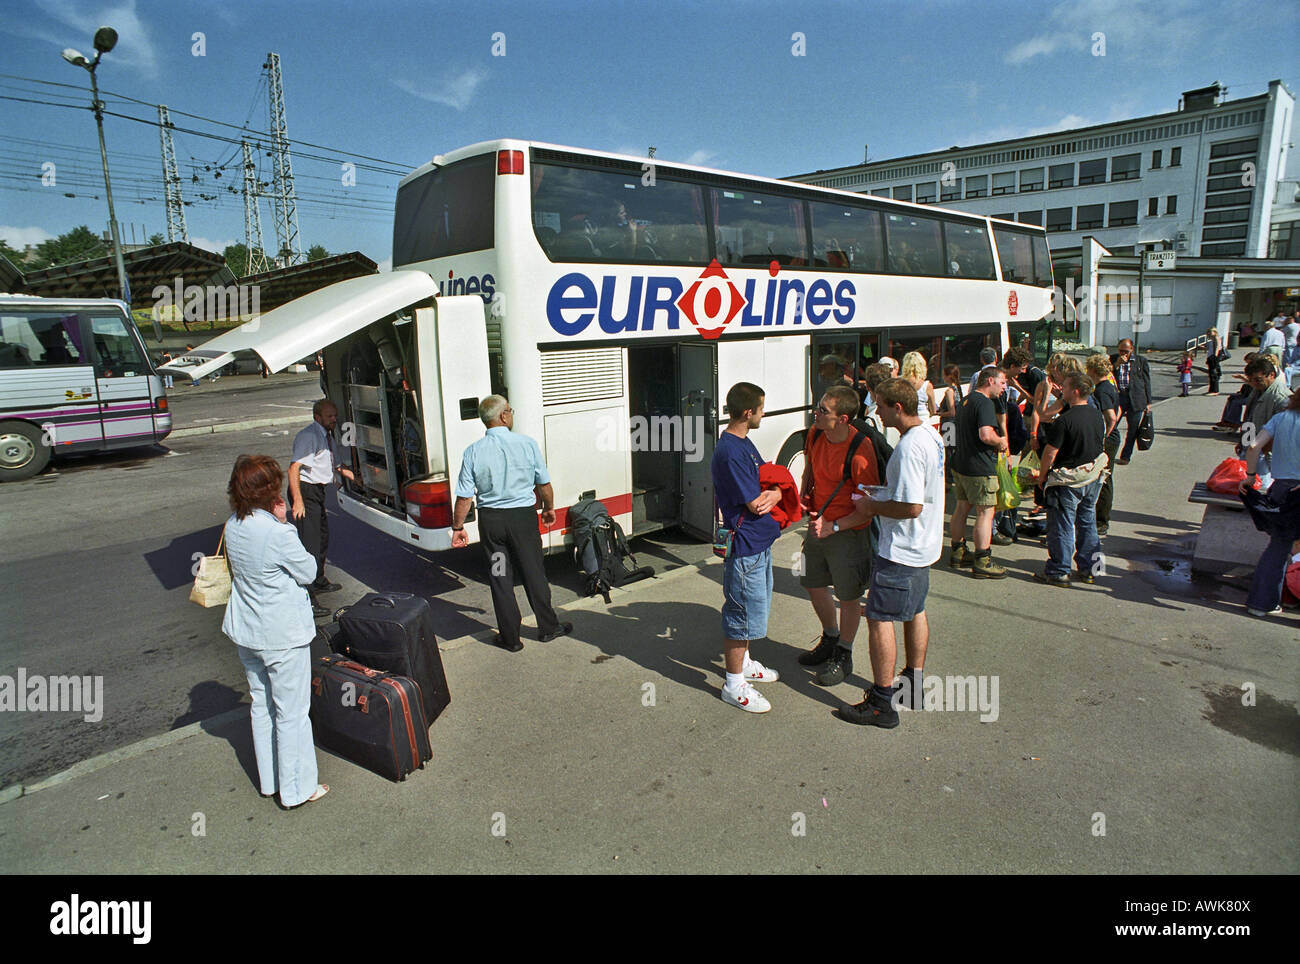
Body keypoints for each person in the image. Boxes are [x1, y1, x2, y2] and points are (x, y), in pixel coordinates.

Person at [837, 377, 945, 728]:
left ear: (897, 408)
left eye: (880, 406)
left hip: (902, 548)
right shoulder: (931, 435)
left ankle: (883, 703)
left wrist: (870, 506)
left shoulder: (910, 447)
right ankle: (912, 684)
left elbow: (911, 506)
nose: (876, 413)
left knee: (879, 618)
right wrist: (883, 492)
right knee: (916, 611)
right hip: (924, 546)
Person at [222, 454, 329, 808]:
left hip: (247, 631)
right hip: (281, 635)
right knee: (292, 713)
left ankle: (270, 781)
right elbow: (309, 571)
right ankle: (297, 789)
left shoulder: (233, 525)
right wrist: (285, 522)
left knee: (261, 705)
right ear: (271, 491)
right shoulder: (277, 532)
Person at [450, 396, 570, 652]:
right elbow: (544, 485)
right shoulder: (527, 444)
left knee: (500, 577)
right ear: (504, 416)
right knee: (533, 572)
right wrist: (548, 508)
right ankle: (548, 628)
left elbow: (464, 497)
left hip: (492, 523)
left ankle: (510, 638)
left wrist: (458, 527)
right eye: (511, 411)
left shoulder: (472, 451)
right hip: (522, 520)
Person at [796, 385, 881, 686]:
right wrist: (804, 496)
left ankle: (844, 654)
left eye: (823, 411)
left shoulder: (862, 452)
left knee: (848, 596)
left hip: (848, 530)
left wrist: (834, 526)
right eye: (818, 406)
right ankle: (831, 638)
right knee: (810, 581)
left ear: (843, 419)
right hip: (819, 523)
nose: (815, 413)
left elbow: (868, 509)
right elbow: (810, 469)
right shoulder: (816, 433)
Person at [710, 382, 782, 712]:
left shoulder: (742, 443)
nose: (764, 415)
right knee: (740, 614)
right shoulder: (729, 451)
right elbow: (756, 501)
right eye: (762, 409)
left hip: (758, 542)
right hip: (745, 545)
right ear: (748, 412)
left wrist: (777, 492)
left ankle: (747, 662)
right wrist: (777, 493)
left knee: (753, 610)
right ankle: (734, 683)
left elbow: (767, 479)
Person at [1028, 372, 1106, 588]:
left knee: (1062, 526)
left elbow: (1050, 453)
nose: (1062, 390)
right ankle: (1093, 570)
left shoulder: (1065, 420)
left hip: (1067, 481)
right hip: (1092, 477)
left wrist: (1042, 477)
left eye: (1066, 387)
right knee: (1088, 522)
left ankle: (1059, 571)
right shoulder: (1096, 415)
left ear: (1076, 391)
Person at [289, 400, 356, 617]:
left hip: (317, 492)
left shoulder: (326, 435)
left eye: (335, 415)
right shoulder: (308, 436)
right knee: (310, 546)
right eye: (329, 416)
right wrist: (298, 501)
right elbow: (294, 468)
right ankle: (306, 598)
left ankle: (318, 579)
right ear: (317, 417)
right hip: (305, 491)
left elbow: (331, 463)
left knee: (322, 539)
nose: (334, 419)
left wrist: (350, 475)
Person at [1238, 389, 1300, 617]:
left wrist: (1251, 475)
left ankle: (1261, 602)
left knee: (1278, 546)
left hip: (1281, 487)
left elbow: (1253, 446)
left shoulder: (1281, 418)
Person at [949, 367, 1009, 577]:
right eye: (1002, 383)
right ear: (990, 380)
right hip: (979, 467)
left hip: (961, 464)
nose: (1004, 388)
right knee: (985, 513)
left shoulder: (966, 400)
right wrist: (1000, 441)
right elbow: (985, 434)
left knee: (961, 508)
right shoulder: (984, 402)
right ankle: (982, 560)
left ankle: (958, 551)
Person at [1085, 354, 1121, 537]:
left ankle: (1101, 520)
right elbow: (1119, 409)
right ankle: (1099, 518)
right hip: (1111, 437)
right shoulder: (1108, 386)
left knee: (1104, 478)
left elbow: (1112, 416)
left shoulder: (1102, 390)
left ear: (1093, 370)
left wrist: (1104, 437)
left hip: (1108, 439)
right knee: (1103, 477)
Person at [1111, 339, 1152, 466]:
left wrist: (1148, 401)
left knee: (1132, 430)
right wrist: (1117, 364)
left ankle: (1125, 456)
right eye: (1120, 351)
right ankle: (1107, 454)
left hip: (1136, 398)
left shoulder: (1140, 361)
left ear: (1132, 349)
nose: (1123, 354)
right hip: (1119, 397)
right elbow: (1106, 374)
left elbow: (1146, 381)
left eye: (1126, 351)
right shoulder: (1113, 359)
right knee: (1111, 426)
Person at [900, 351, 938, 422]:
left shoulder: (900, 383)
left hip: (906, 420)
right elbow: (933, 411)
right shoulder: (927, 385)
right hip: (923, 420)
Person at [1206, 327, 1224, 396]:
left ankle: (1215, 390)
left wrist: (1215, 356)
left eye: (1210, 332)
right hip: (1211, 356)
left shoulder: (1216, 338)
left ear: (1214, 332)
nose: (1209, 333)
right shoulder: (1212, 339)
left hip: (1213, 357)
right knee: (1211, 374)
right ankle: (1211, 390)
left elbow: (1217, 348)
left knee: (1213, 374)